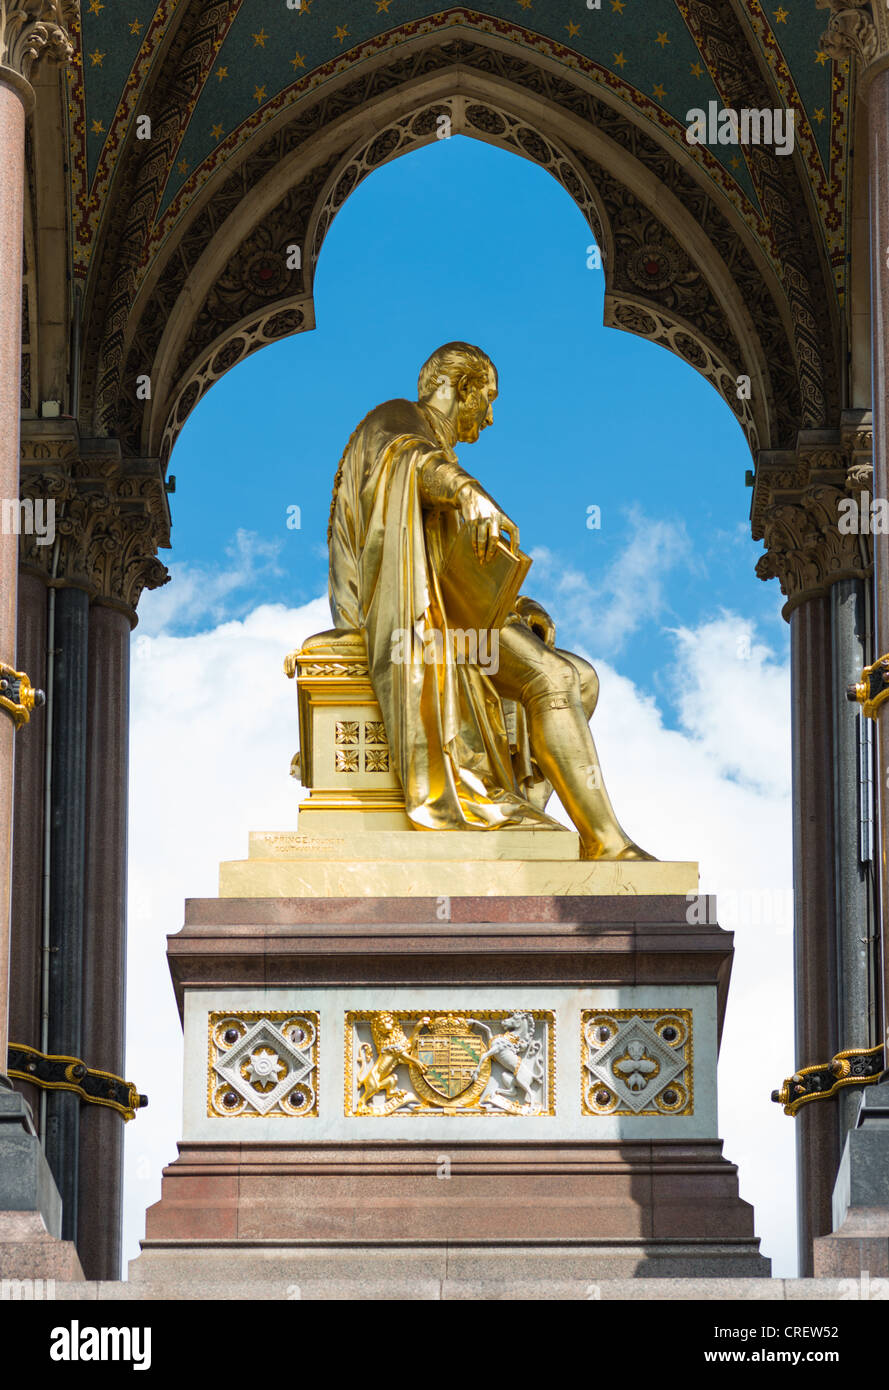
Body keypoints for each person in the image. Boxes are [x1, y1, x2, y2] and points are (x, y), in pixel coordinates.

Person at [326, 341, 652, 860]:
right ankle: (607, 843)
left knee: (582, 678)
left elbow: (442, 559)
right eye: (489, 399)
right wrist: (466, 489)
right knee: (554, 677)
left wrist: (515, 606)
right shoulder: (399, 418)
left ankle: (527, 812)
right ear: (462, 388)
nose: (491, 417)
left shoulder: (425, 437)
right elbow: (407, 461)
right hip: (413, 626)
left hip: (447, 620)